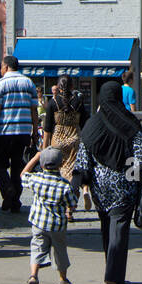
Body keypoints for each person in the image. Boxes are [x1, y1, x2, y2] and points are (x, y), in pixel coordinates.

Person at [71, 81, 142, 284]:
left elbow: (82, 160)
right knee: (120, 231)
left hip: (99, 189)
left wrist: (82, 185)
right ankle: (114, 280)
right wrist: (130, 175)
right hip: (123, 186)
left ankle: (111, 271)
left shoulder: (92, 125)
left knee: (107, 229)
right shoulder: (130, 122)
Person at [20, 147, 78, 284]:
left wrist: (34, 158)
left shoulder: (36, 179)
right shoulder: (64, 185)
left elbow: (23, 175)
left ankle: (33, 276)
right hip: (57, 225)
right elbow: (72, 203)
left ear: (42, 164)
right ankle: (63, 280)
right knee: (60, 251)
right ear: (61, 164)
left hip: (38, 222)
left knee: (37, 248)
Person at [0, 56, 39, 213]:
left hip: (4, 132)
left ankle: (7, 189)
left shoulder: (1, 83)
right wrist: (35, 132)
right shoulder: (29, 83)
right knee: (18, 167)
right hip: (23, 132)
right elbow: (34, 110)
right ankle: (15, 201)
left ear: (5, 67)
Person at [43, 75, 89, 217]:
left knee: (59, 174)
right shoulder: (79, 102)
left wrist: (45, 148)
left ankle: (61, 207)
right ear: (72, 87)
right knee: (73, 174)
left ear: (58, 86)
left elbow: (47, 128)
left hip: (57, 141)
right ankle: (71, 208)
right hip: (74, 139)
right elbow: (85, 123)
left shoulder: (53, 102)